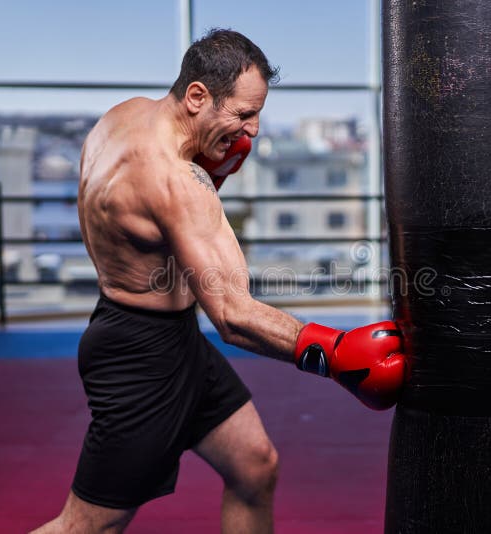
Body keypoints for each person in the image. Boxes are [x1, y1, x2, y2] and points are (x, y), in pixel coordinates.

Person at [32, 29, 407, 534]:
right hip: (141, 360)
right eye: (244, 113)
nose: (253, 128)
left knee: (255, 466)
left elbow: (140, 220)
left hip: (155, 334)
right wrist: (334, 351)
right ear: (196, 96)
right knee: (85, 526)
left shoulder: (125, 117)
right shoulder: (178, 183)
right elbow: (232, 315)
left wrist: (214, 160)